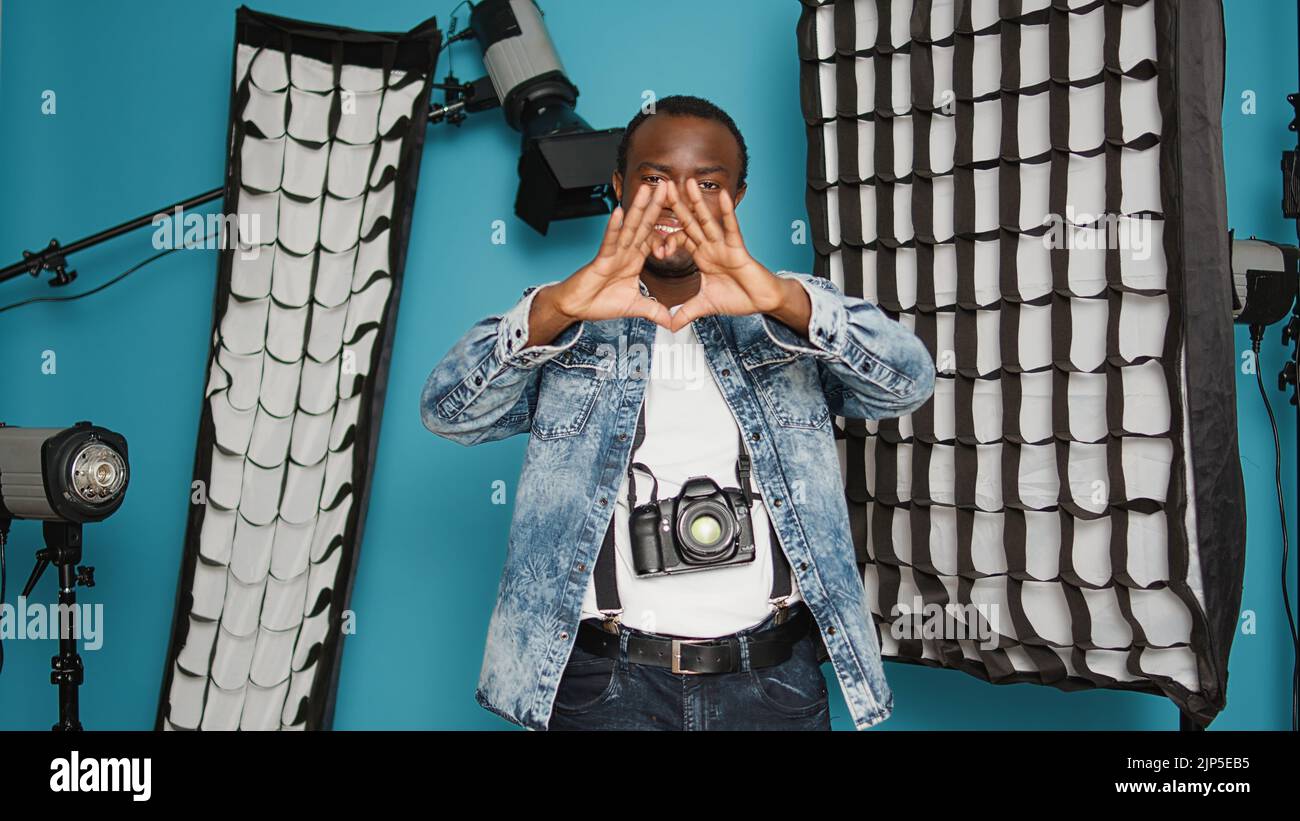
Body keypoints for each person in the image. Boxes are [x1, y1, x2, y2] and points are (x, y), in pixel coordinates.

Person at [419, 95, 935, 730]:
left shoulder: (791, 315)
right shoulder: (567, 320)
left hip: (772, 681)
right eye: (655, 179)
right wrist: (558, 306)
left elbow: (908, 384)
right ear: (619, 188)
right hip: (605, 686)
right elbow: (448, 412)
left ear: (737, 198)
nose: (675, 203)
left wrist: (778, 297)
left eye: (707, 184)